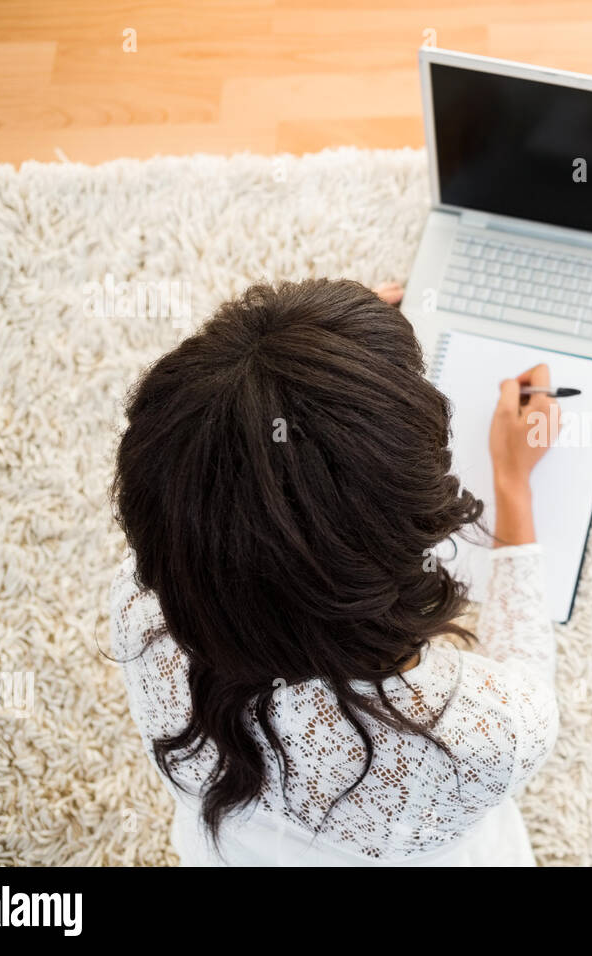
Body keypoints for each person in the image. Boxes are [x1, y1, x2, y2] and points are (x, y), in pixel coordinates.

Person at [109, 277, 560, 865]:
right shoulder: (483, 738)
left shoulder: (138, 608)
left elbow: (247, 496)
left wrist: (312, 364)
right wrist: (512, 483)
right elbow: (527, 673)